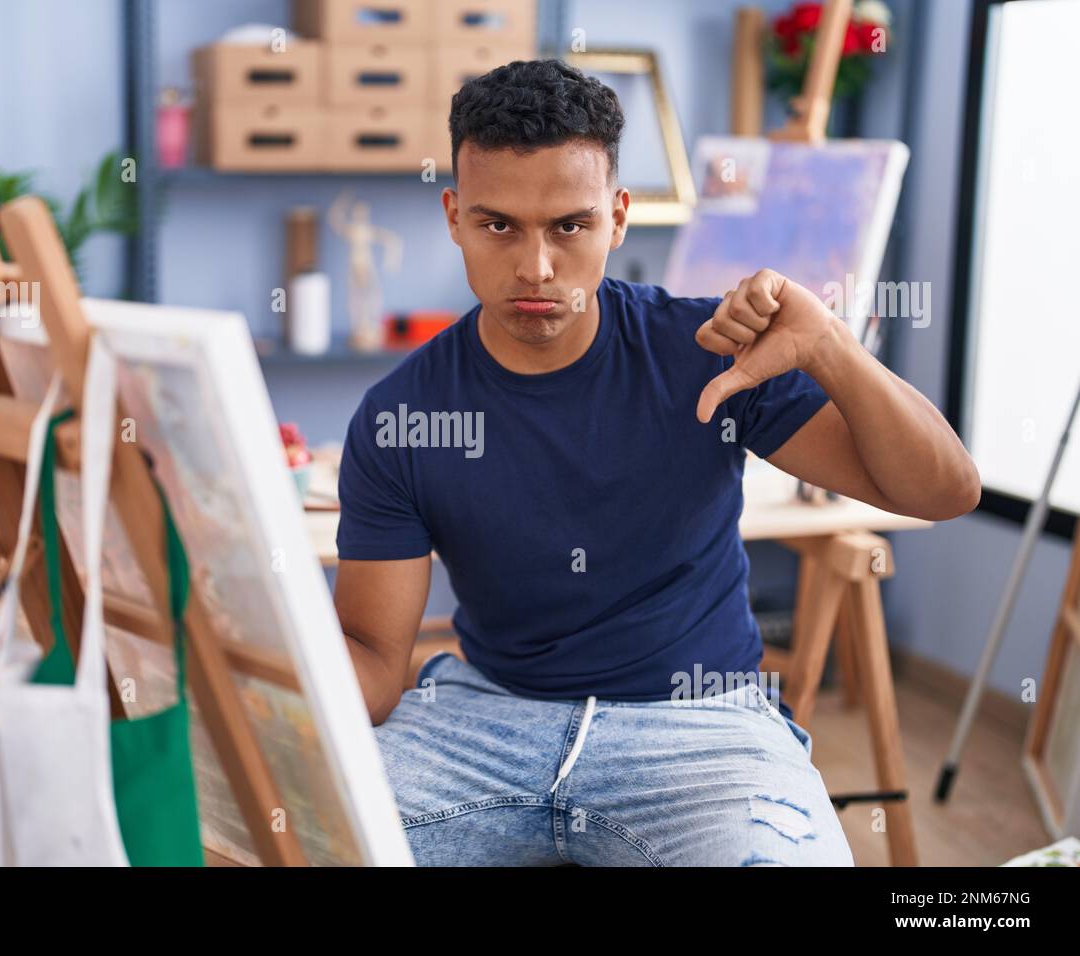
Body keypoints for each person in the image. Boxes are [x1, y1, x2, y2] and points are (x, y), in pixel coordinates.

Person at [333, 59, 980, 866]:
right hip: (484, 717)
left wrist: (829, 347)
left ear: (618, 218)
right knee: (298, 838)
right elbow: (372, 660)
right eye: (500, 225)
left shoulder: (711, 352)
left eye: (569, 225)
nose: (536, 267)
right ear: (455, 216)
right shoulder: (402, 415)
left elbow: (946, 490)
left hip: (702, 727)